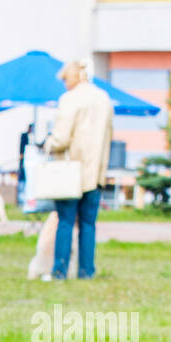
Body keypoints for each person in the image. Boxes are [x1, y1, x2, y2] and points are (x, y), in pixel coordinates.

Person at [43, 58, 113, 280]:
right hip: (96, 171)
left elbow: (61, 138)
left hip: (70, 170)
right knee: (88, 224)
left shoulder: (70, 99)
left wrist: (47, 143)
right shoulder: (104, 99)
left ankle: (60, 271)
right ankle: (86, 271)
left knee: (65, 221)